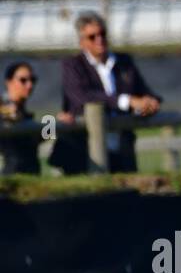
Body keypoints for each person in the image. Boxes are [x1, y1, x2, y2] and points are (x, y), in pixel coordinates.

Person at [51, 11, 162, 174]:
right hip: (82, 152)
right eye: (92, 36)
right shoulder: (72, 65)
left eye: (102, 34)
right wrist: (126, 101)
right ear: (82, 42)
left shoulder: (124, 62)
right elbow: (82, 98)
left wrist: (148, 104)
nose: (99, 39)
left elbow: (144, 93)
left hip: (122, 152)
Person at [0, 61, 40, 175]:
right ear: (9, 82)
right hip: (11, 177)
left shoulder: (22, 109)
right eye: (23, 80)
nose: (29, 85)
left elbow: (41, 139)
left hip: (31, 175)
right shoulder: (4, 106)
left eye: (33, 80)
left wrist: (54, 122)